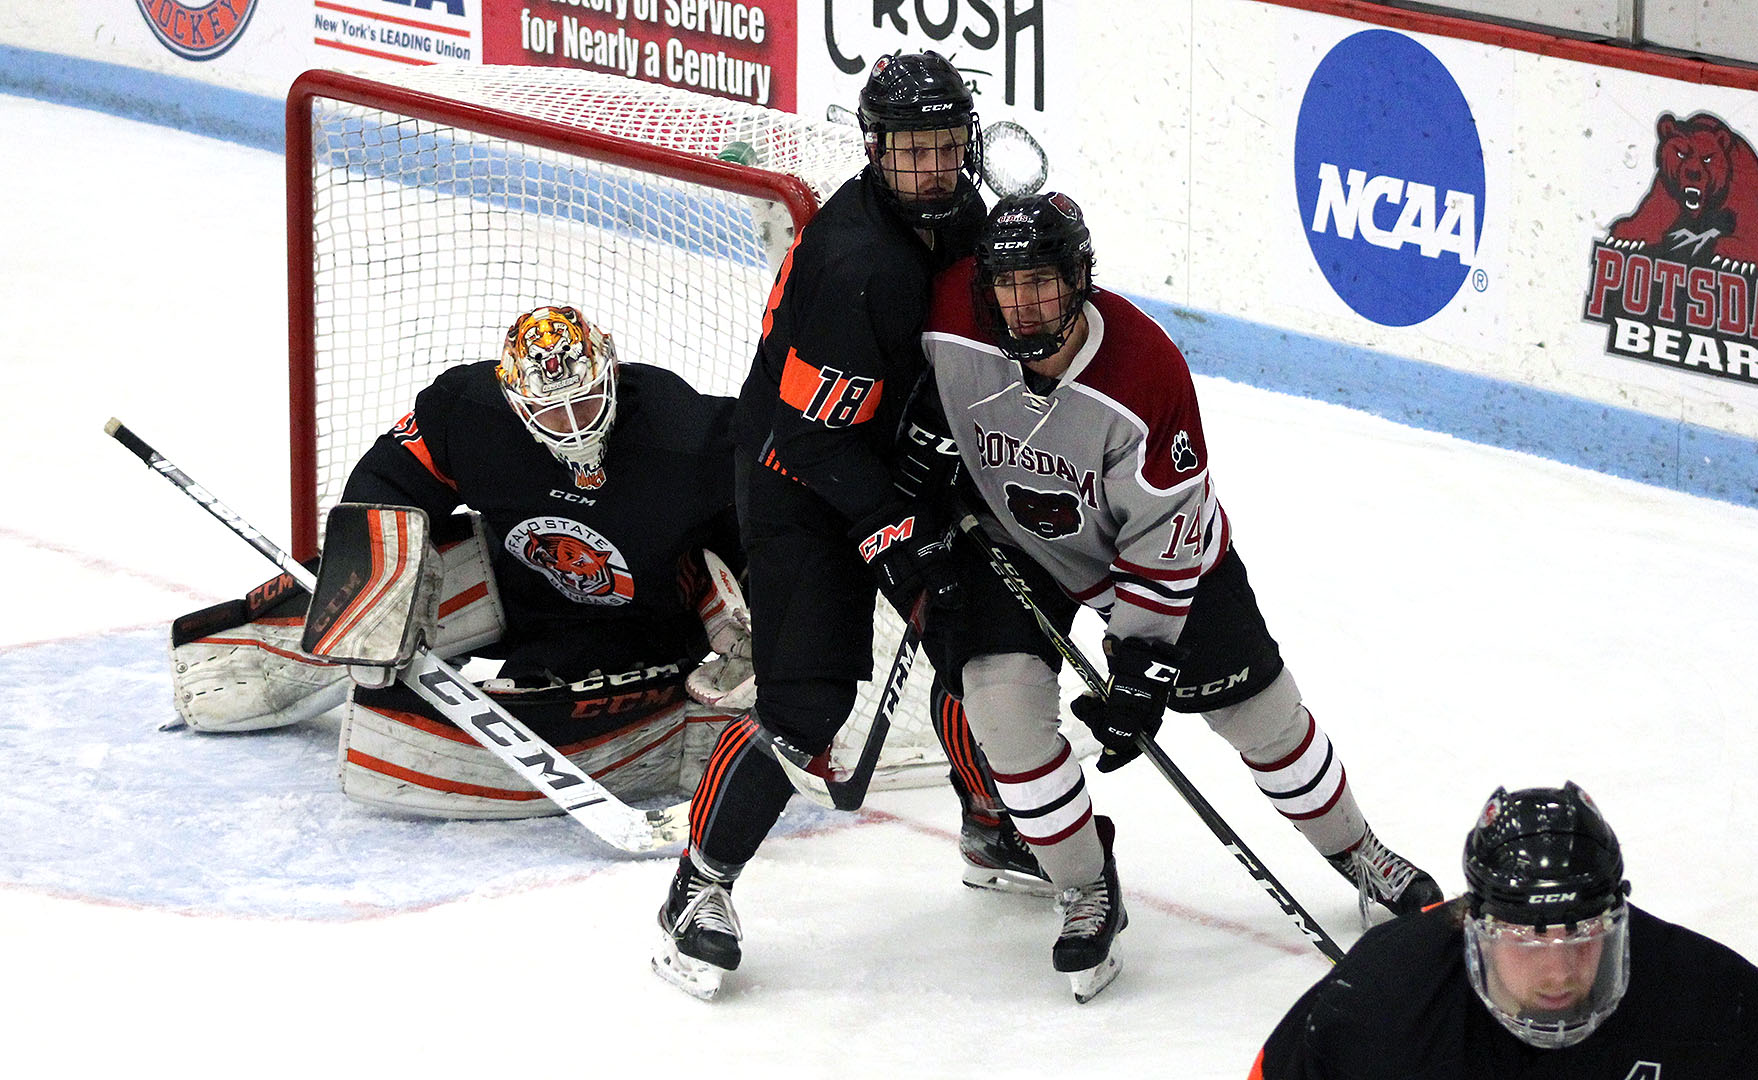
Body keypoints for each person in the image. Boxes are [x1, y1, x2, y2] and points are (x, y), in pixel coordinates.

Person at [915, 192, 1442, 1001]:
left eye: (1045, 282)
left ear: (1081, 280)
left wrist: (1141, 662)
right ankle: (1087, 888)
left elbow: (1166, 531)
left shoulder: (1144, 368)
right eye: (1008, 284)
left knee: (1261, 716)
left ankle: (1358, 851)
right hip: (1008, 539)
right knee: (1004, 717)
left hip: (1146, 559)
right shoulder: (952, 312)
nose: (1024, 303)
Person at [653, 51, 1035, 999]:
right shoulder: (855, 260)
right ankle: (696, 890)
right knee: (805, 707)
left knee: (971, 636)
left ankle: (991, 822)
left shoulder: (964, 219)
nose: (934, 167)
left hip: (889, 452)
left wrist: (943, 459)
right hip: (797, 476)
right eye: (912, 150)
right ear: (875, 151)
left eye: (948, 145)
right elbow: (811, 438)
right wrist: (891, 533)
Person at [168, 304, 756, 815]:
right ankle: (258, 658)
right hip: (517, 591)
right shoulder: (467, 412)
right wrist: (373, 604)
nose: (573, 425)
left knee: (391, 742)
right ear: (515, 401)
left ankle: (683, 734)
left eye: (586, 401)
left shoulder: (686, 433)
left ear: (612, 372)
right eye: (551, 412)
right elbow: (386, 485)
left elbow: (777, 514)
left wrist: (751, 622)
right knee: (375, 569)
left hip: (643, 630)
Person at [1250, 782, 1758, 1079]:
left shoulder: (1707, 1000)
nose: (1560, 971)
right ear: (1474, 928)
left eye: (1584, 934)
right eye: (1528, 940)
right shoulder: (1377, 1009)